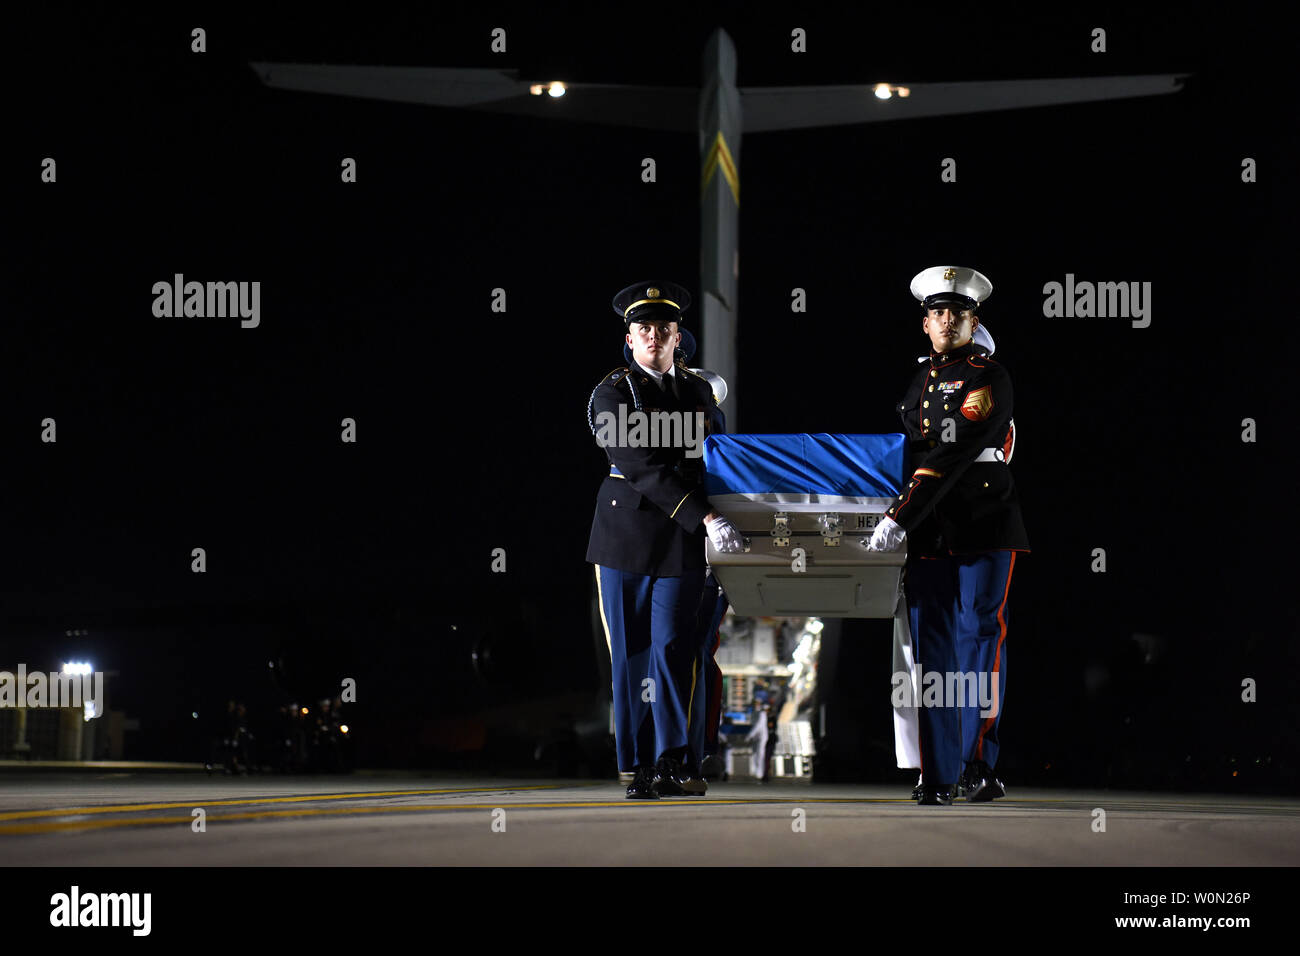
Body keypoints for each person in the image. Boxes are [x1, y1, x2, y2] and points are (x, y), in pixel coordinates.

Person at [868, 266, 1030, 805]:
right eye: (937, 313)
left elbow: (954, 448)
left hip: (982, 520)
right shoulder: (917, 381)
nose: (946, 320)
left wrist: (900, 515)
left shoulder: (991, 376)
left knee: (979, 642)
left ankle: (977, 762)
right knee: (933, 653)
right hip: (932, 528)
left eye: (956, 313)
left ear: (971, 320)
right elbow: (904, 452)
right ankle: (937, 774)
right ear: (925, 324)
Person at [587, 280, 745, 799]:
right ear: (629, 339)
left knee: (675, 649)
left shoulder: (698, 392)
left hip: (682, 539)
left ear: (678, 337)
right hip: (629, 537)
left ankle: (673, 757)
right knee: (632, 654)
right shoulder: (612, 392)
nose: (654, 336)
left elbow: (716, 458)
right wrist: (702, 515)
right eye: (643, 329)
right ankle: (637, 764)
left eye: (664, 328)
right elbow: (640, 464)